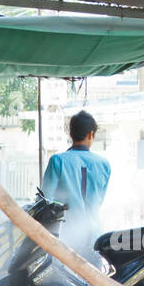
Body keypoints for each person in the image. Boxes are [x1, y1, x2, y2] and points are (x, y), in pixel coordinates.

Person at [40, 110, 111, 265]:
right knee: (94, 285)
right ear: (91, 135)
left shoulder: (57, 161)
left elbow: (44, 202)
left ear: (70, 134)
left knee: (65, 285)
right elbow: (99, 201)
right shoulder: (104, 164)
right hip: (95, 237)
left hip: (67, 238)